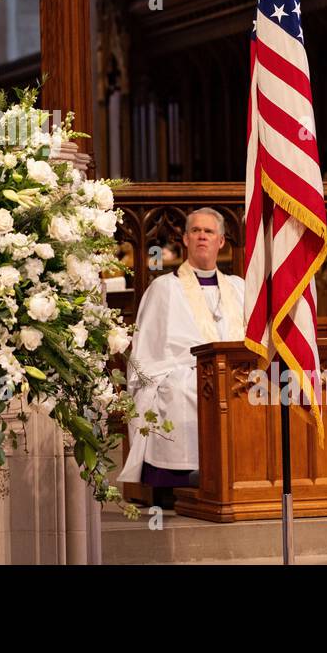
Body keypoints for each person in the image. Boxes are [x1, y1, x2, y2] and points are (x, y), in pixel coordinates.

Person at [117, 208, 245, 509]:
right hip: (179, 371)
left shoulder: (239, 288)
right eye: (196, 231)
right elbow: (146, 350)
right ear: (186, 239)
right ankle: (177, 481)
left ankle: (243, 475)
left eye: (209, 232)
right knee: (181, 390)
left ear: (221, 241)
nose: (202, 236)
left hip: (234, 370)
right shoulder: (164, 288)